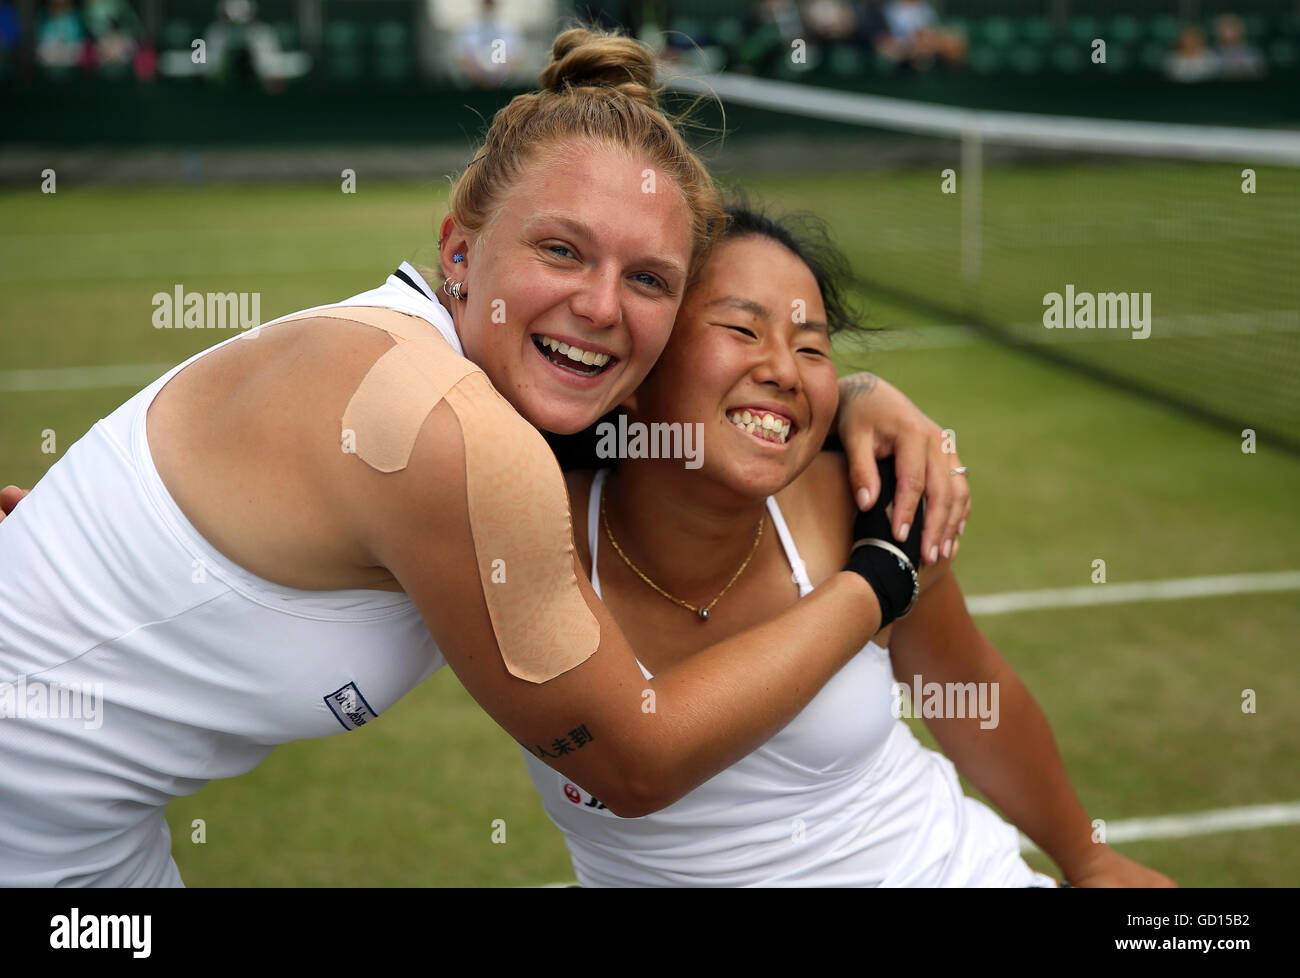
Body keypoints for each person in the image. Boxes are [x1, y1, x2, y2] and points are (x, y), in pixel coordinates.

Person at [0, 27, 967, 887]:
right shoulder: (451, 433)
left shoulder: (406, 351)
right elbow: (636, 763)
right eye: (560, 250)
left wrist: (857, 402)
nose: (599, 305)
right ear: (460, 249)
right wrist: (878, 576)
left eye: (647, 279)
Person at [521, 204, 1176, 887]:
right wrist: (877, 582)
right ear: (637, 360)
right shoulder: (521, 527)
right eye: (742, 328)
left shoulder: (865, 504)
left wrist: (1089, 858)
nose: (784, 369)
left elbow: (963, 686)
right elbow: (639, 766)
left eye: (812, 348)